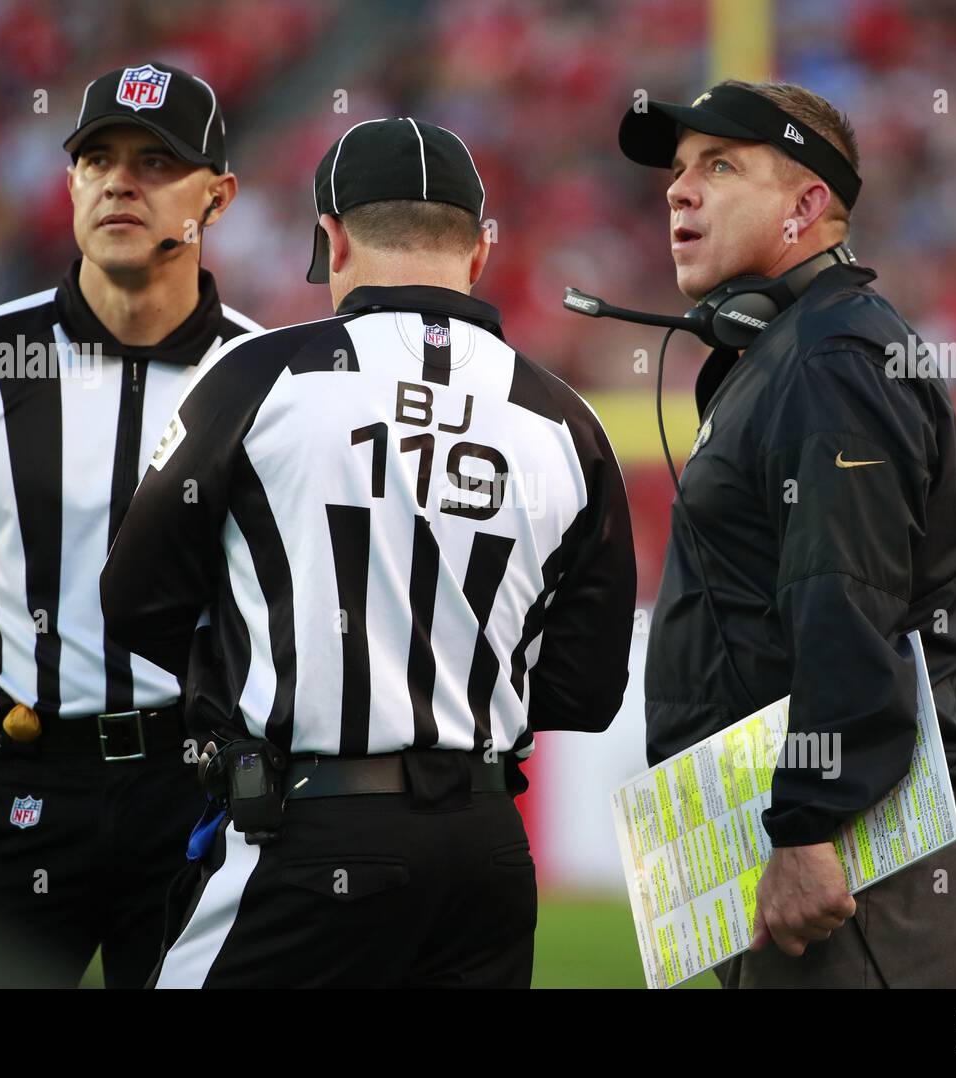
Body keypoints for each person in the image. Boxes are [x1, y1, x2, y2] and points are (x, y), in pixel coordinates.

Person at [100, 117, 638, 988]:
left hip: (310, 829)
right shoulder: (569, 420)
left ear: (333, 237)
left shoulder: (257, 375)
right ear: (479, 251)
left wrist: (257, 676)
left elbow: (133, 599)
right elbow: (586, 687)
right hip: (485, 851)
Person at [0, 60, 261, 987]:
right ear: (70, 181)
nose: (121, 180)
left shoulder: (269, 383)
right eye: (98, 158)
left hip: (198, 803)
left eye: (157, 161)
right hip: (20, 792)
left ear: (218, 196)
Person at [619, 79, 956, 987]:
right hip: (820, 832)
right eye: (679, 171)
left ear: (810, 206)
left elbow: (846, 597)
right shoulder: (810, 350)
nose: (677, 191)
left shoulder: (828, 360)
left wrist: (814, 819)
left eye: (718, 167)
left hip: (850, 854)